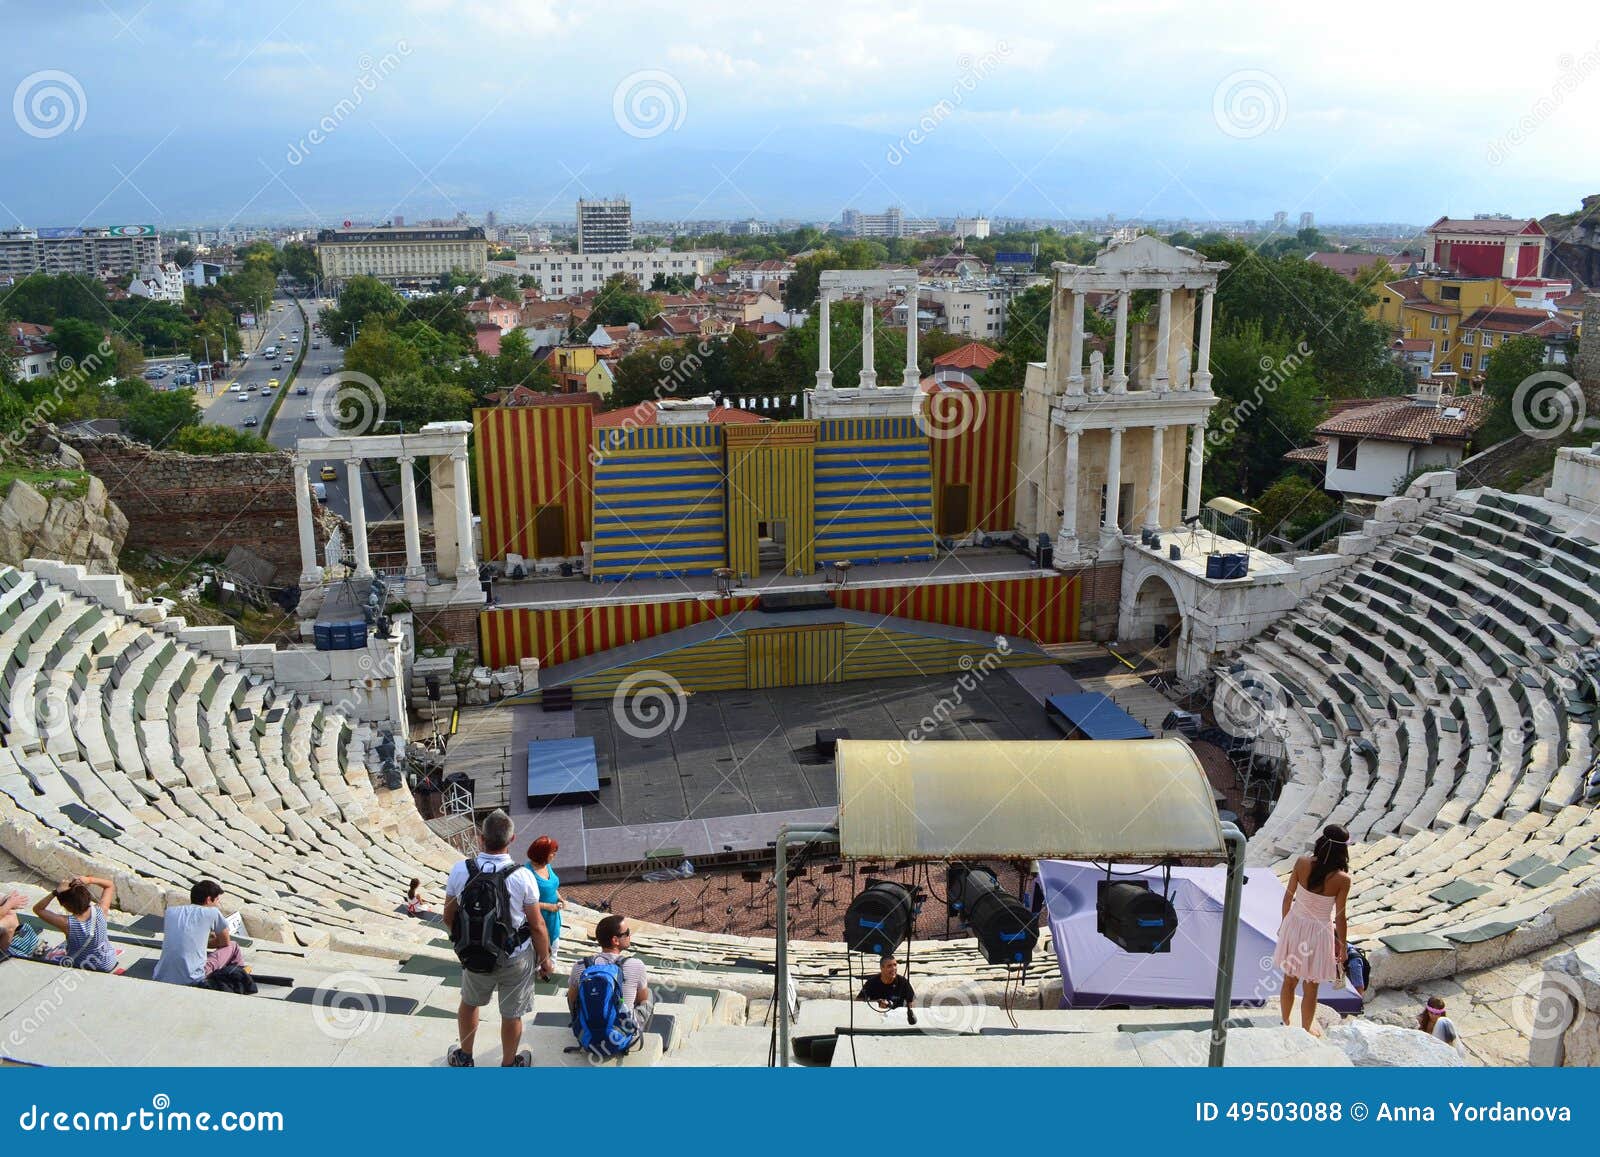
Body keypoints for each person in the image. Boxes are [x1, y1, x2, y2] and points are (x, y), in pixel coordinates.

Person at [443, 810, 553, 1068]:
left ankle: (465, 1056)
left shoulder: (460, 869)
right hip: (514, 958)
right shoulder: (523, 876)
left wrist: (468, 941)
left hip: (475, 955)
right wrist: (545, 959)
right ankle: (508, 1064)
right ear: (512, 839)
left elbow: (448, 916)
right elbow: (537, 926)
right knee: (512, 1014)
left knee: (469, 1004)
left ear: (481, 838)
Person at [1272, 823, 1351, 1036]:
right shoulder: (1343, 880)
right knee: (1312, 985)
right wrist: (1342, 947)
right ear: (1343, 850)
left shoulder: (1301, 862)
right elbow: (1341, 917)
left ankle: (1286, 1021)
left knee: (1289, 979)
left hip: (1295, 923)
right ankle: (1306, 1028)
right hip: (1319, 932)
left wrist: (1284, 925)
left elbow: (1288, 897)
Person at [568, 914, 652, 1056]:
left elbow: (572, 1000)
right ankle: (632, 1028)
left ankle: (586, 1024)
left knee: (573, 993)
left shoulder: (580, 966)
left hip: (588, 1039)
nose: (629, 936)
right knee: (649, 995)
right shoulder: (636, 965)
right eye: (627, 933)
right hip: (619, 1037)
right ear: (615, 940)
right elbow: (641, 999)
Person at [153, 880, 244, 986]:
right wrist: (209, 941)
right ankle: (241, 975)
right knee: (233, 946)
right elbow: (225, 942)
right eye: (217, 900)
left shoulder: (171, 911)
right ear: (209, 899)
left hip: (160, 975)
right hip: (192, 978)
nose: (217, 904)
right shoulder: (213, 912)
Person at [32, 876, 116, 972]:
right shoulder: (101, 910)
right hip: (108, 963)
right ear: (87, 896)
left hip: (82, 965)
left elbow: (38, 909)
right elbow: (110, 885)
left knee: (55, 951)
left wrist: (56, 892)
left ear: (65, 905)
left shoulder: (66, 923)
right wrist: (89, 880)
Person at [526, 836, 564, 961]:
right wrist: (548, 906)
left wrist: (559, 898)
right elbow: (523, 902)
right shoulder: (527, 873)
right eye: (552, 852)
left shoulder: (546, 866)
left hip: (553, 918)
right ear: (542, 854)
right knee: (539, 956)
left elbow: (552, 886)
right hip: (539, 919)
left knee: (553, 952)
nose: (554, 855)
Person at [856, 954, 918, 1024]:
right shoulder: (871, 982)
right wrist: (876, 1003)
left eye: (895, 965)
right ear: (882, 968)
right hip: (876, 1018)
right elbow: (858, 1001)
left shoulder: (902, 981)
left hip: (898, 1019)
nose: (893, 968)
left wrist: (908, 1012)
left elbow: (912, 1001)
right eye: (889, 966)